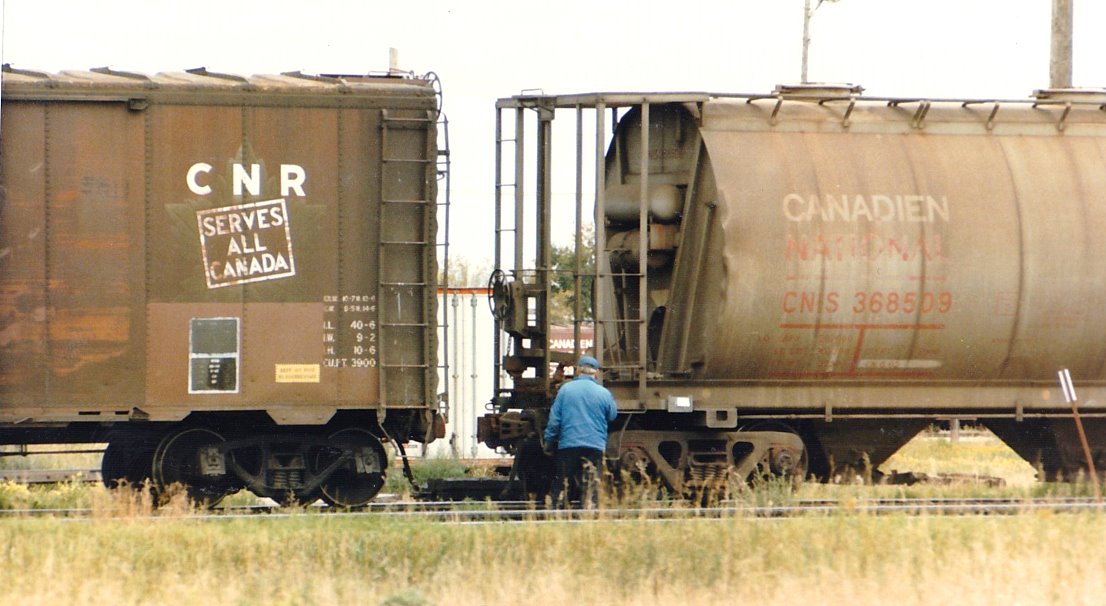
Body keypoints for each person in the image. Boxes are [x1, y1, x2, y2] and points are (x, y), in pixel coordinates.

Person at [543, 355, 618, 508]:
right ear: (596, 373)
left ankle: (555, 514)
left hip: (568, 445)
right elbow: (612, 415)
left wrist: (548, 441)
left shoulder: (565, 390)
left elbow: (554, 420)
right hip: (594, 446)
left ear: (578, 370)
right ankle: (589, 515)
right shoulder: (603, 393)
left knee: (563, 483)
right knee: (591, 484)